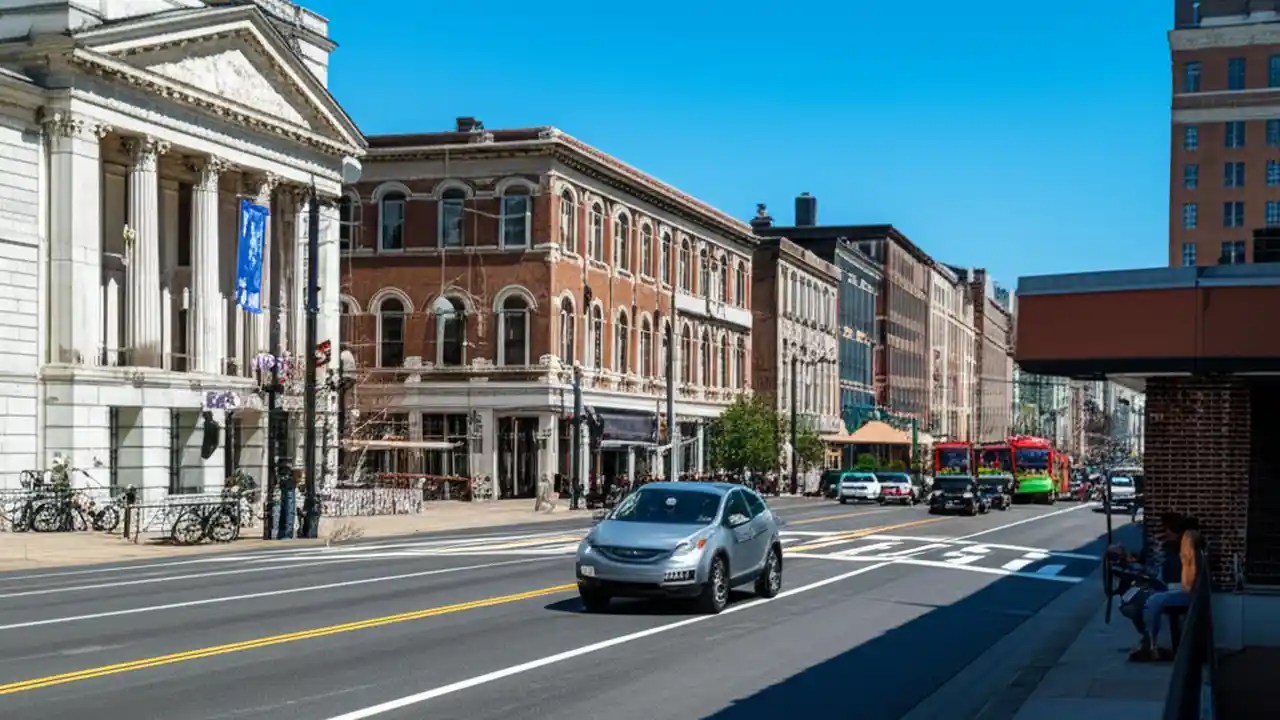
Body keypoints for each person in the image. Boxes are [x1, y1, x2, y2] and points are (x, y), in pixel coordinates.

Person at [1130, 514, 1201, 661]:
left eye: (1167, 530)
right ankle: (1146, 637)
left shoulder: (1185, 548)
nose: (1165, 533)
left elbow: (1185, 579)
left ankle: (1151, 643)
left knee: (1153, 601)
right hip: (1168, 586)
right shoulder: (1169, 547)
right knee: (1135, 595)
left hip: (1181, 590)